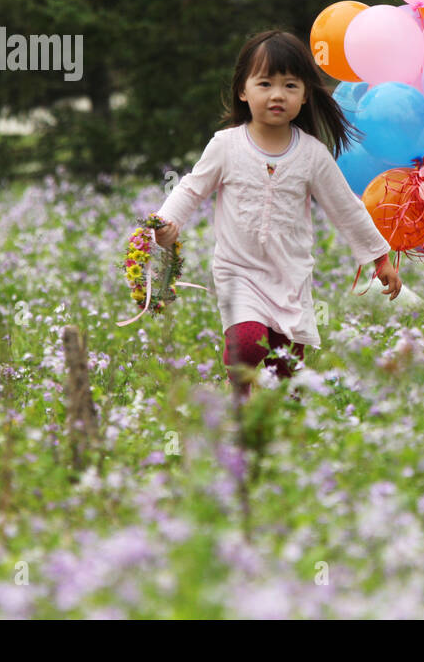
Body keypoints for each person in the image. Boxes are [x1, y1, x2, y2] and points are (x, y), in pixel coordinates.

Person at [153, 29, 402, 396]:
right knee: (248, 342)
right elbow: (191, 187)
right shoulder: (227, 146)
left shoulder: (313, 155)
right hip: (239, 272)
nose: (277, 95)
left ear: (304, 96)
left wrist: (380, 260)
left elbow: (346, 208)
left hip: (290, 277)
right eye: (265, 83)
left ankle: (286, 437)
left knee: (287, 370)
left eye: (290, 85)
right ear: (243, 89)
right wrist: (167, 222)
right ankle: (239, 407)